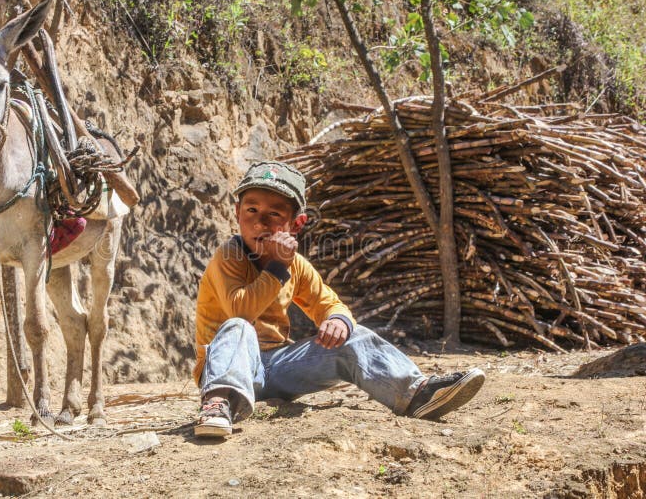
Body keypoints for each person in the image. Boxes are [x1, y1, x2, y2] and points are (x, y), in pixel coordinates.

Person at [192, 160, 485, 437]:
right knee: (237, 327)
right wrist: (277, 268)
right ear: (237, 213)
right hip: (228, 371)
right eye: (251, 210)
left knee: (353, 336)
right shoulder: (228, 257)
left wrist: (337, 320)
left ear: (297, 224)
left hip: (277, 370)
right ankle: (217, 404)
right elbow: (240, 310)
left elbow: (329, 303)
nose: (259, 222)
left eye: (275, 214)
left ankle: (414, 394)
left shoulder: (296, 266)